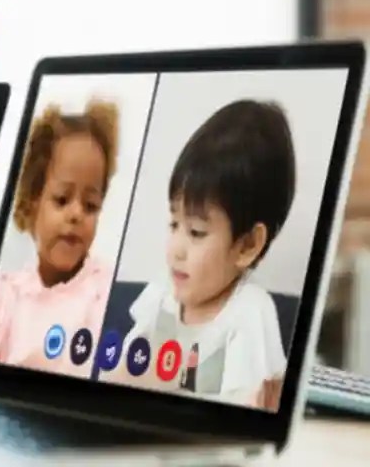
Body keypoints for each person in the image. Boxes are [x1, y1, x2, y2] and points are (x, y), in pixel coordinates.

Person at [114, 100, 293, 409]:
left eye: (196, 232)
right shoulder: (160, 296)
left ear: (247, 245)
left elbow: (248, 410)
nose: (176, 249)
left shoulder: (249, 313)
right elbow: (120, 376)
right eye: (173, 224)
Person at [0, 100, 120, 377]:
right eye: (62, 199)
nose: (76, 214)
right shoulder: (7, 295)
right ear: (32, 203)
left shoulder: (105, 293)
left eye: (90, 205)